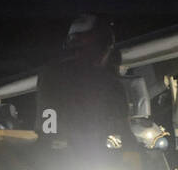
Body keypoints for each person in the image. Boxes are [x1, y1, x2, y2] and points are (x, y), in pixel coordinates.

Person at [36, 14, 131, 152]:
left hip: (100, 155)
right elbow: (48, 113)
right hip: (67, 155)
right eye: (78, 48)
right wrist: (52, 142)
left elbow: (123, 124)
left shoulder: (111, 83)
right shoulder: (54, 77)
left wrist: (132, 152)